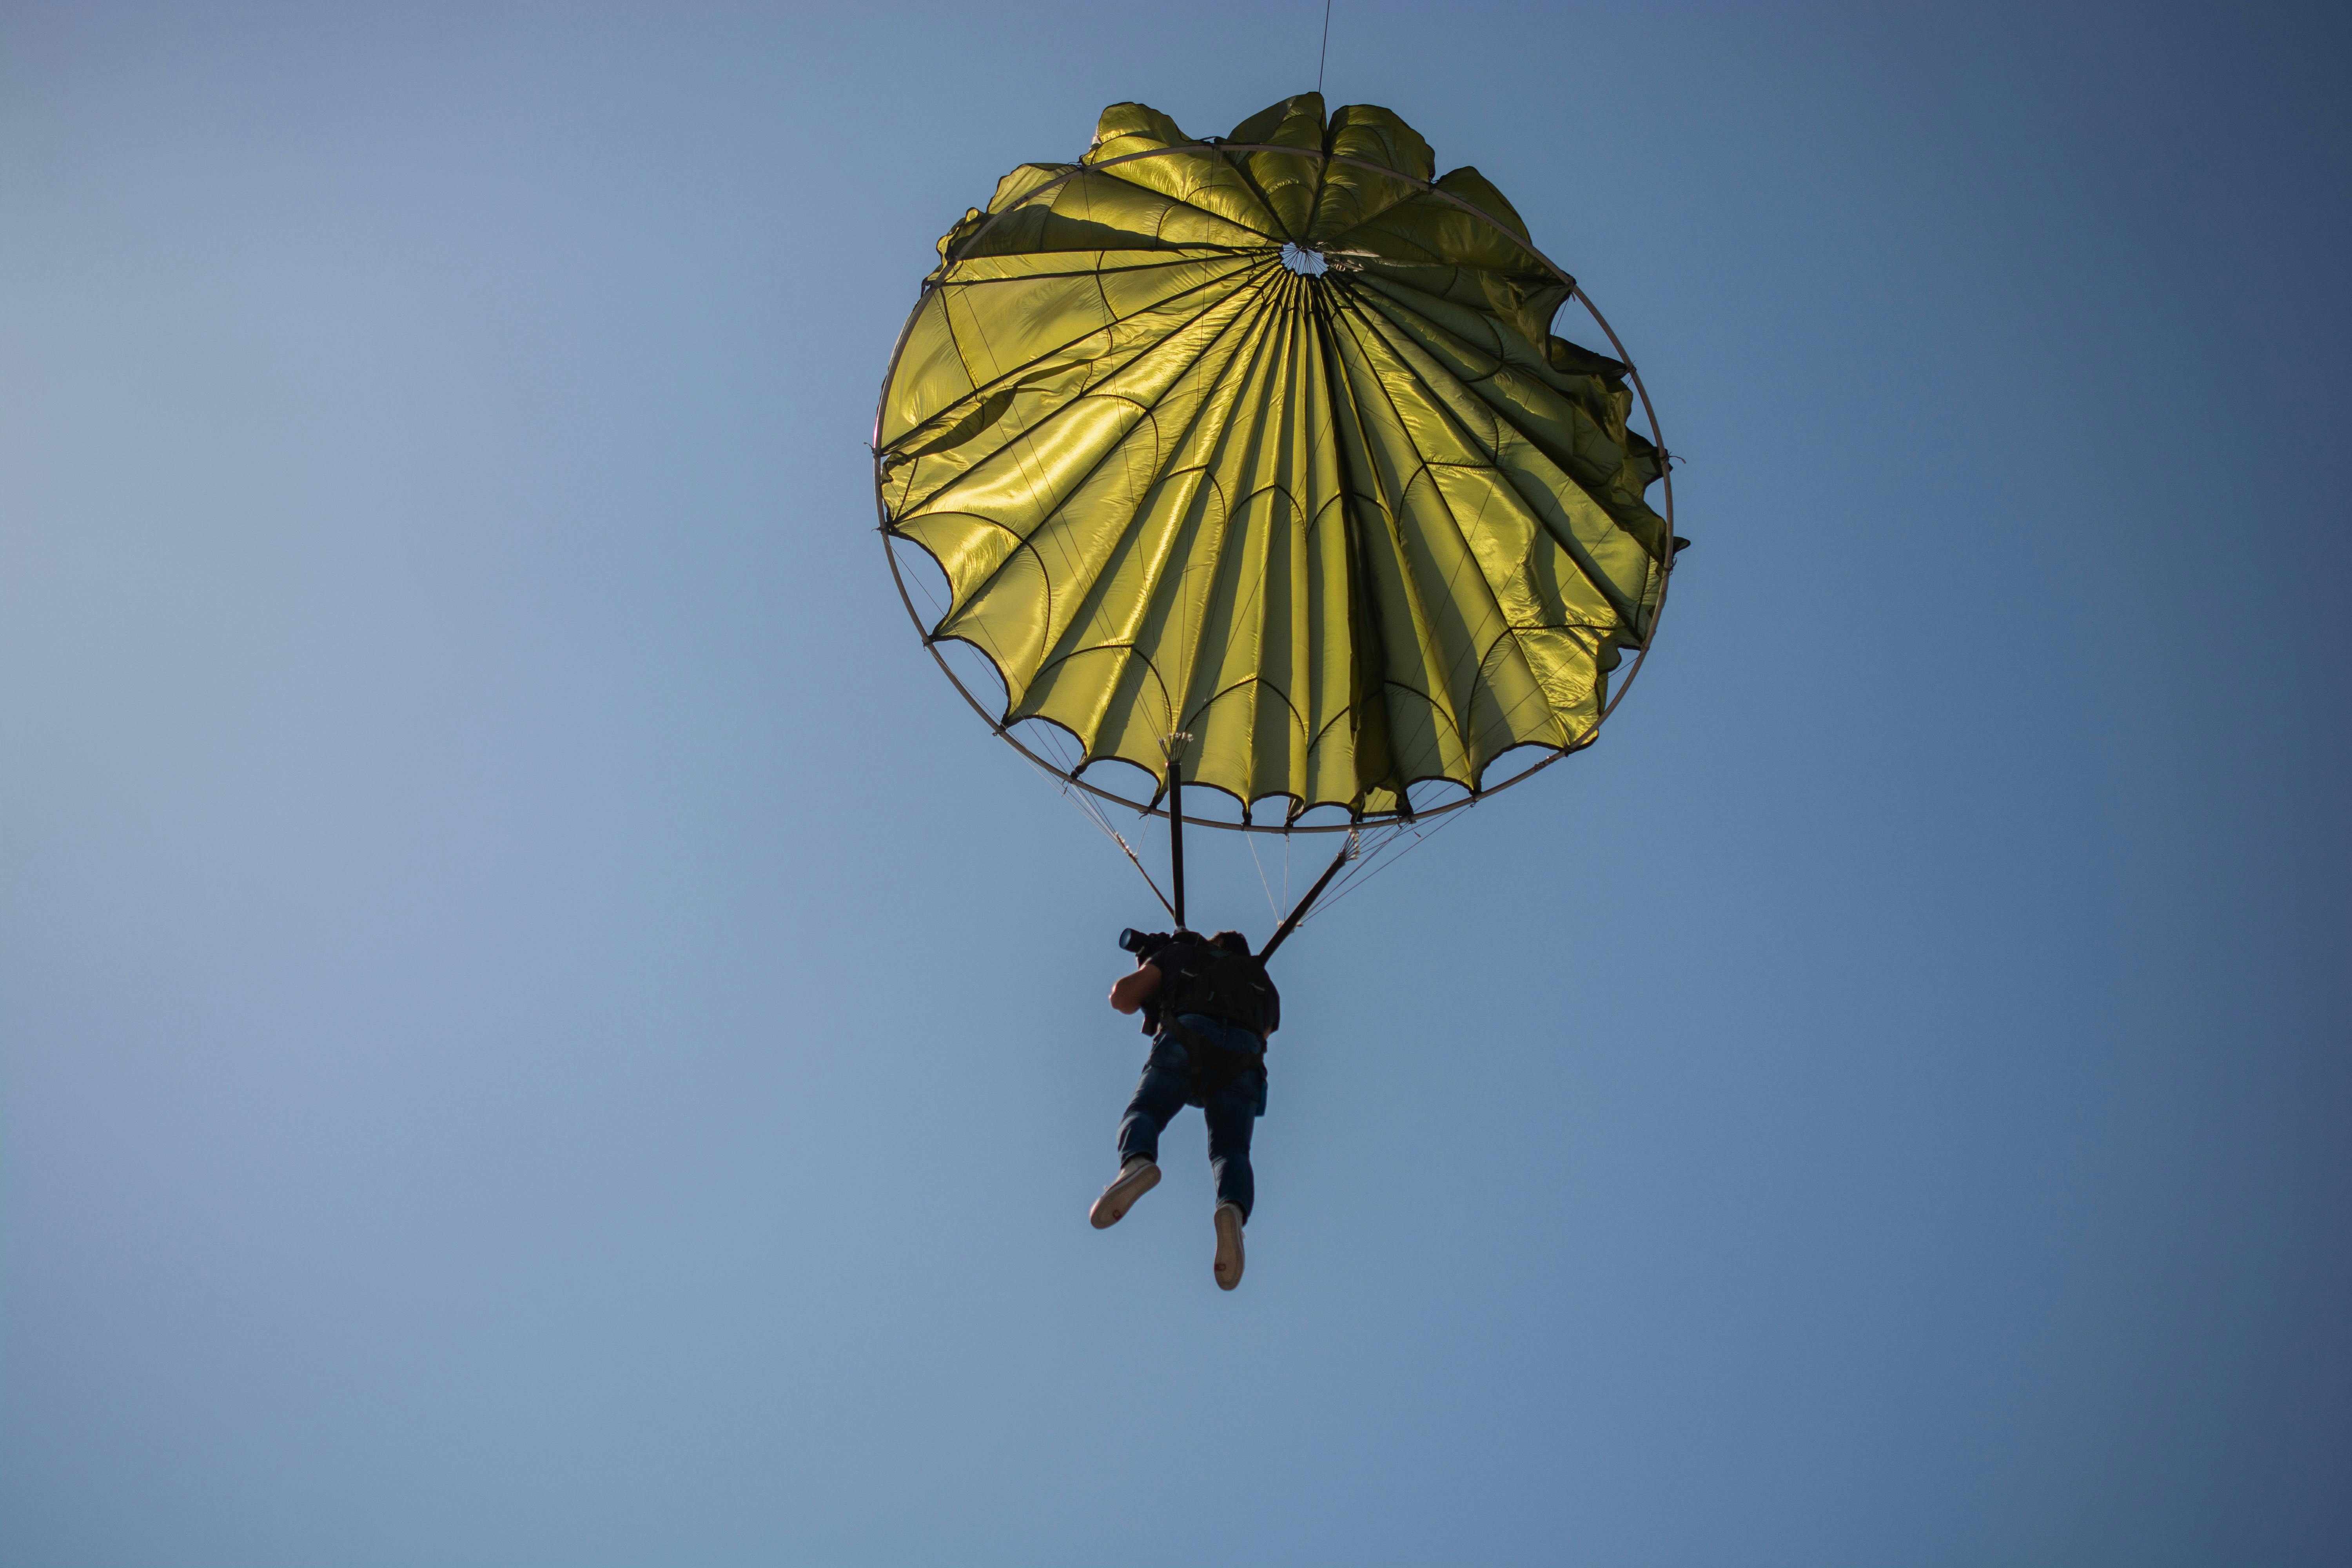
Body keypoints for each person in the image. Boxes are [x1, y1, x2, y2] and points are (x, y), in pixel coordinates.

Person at [1090, 929, 1278, 1290]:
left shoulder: (1183, 955)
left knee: (1145, 1112)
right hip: (1244, 1062)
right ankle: (1233, 1211)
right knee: (1231, 1150)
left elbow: (1123, 999)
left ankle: (1137, 1163)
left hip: (1187, 1036)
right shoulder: (1265, 984)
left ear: (1215, 944)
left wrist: (1152, 964)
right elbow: (1265, 1032)